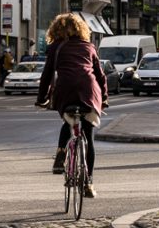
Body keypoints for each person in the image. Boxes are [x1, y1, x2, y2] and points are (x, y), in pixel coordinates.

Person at [35, 12, 107, 199]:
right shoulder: (89, 47)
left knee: (68, 123)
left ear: (56, 30)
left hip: (65, 91)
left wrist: (41, 98)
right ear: (81, 29)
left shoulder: (55, 48)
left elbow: (46, 75)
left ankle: (60, 155)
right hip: (89, 91)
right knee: (88, 134)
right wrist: (104, 98)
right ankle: (88, 183)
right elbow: (100, 76)